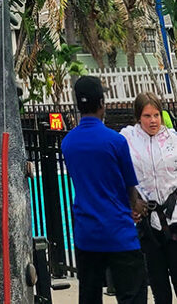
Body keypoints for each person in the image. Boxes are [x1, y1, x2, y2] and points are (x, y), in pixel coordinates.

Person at [60, 74, 147, 304]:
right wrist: (137, 207)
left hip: (87, 233)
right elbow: (130, 190)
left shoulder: (67, 143)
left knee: (89, 297)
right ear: (101, 104)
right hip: (118, 232)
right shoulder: (115, 141)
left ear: (78, 105)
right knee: (132, 295)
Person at [121, 90, 177, 304]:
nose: (153, 121)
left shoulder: (173, 140)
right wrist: (130, 203)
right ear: (138, 117)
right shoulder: (127, 139)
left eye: (156, 115)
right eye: (147, 116)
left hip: (174, 220)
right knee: (158, 284)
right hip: (147, 224)